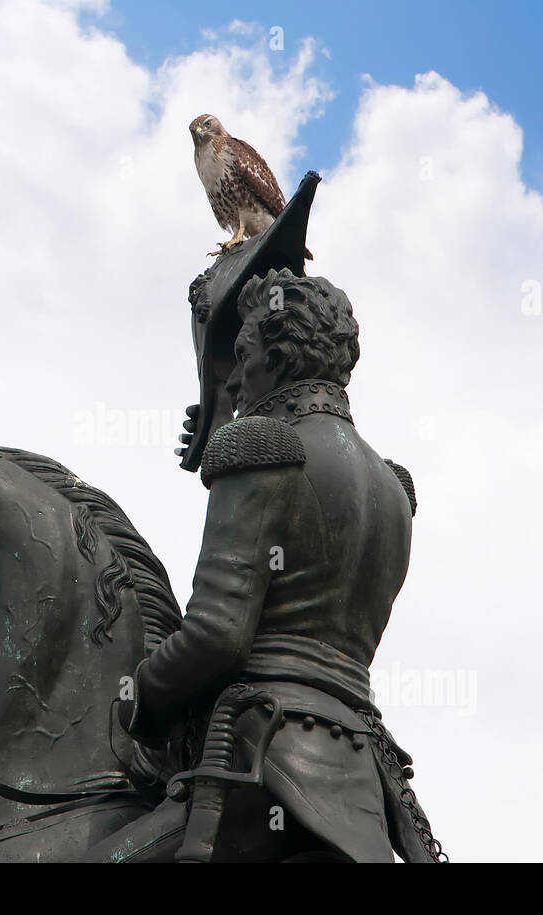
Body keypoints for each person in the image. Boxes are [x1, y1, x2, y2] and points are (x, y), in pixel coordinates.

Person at [87, 268, 445, 862]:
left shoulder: (262, 448)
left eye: (243, 354)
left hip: (260, 753)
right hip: (365, 771)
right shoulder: (393, 489)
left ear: (277, 356)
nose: (232, 383)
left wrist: (138, 699)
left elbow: (216, 635)